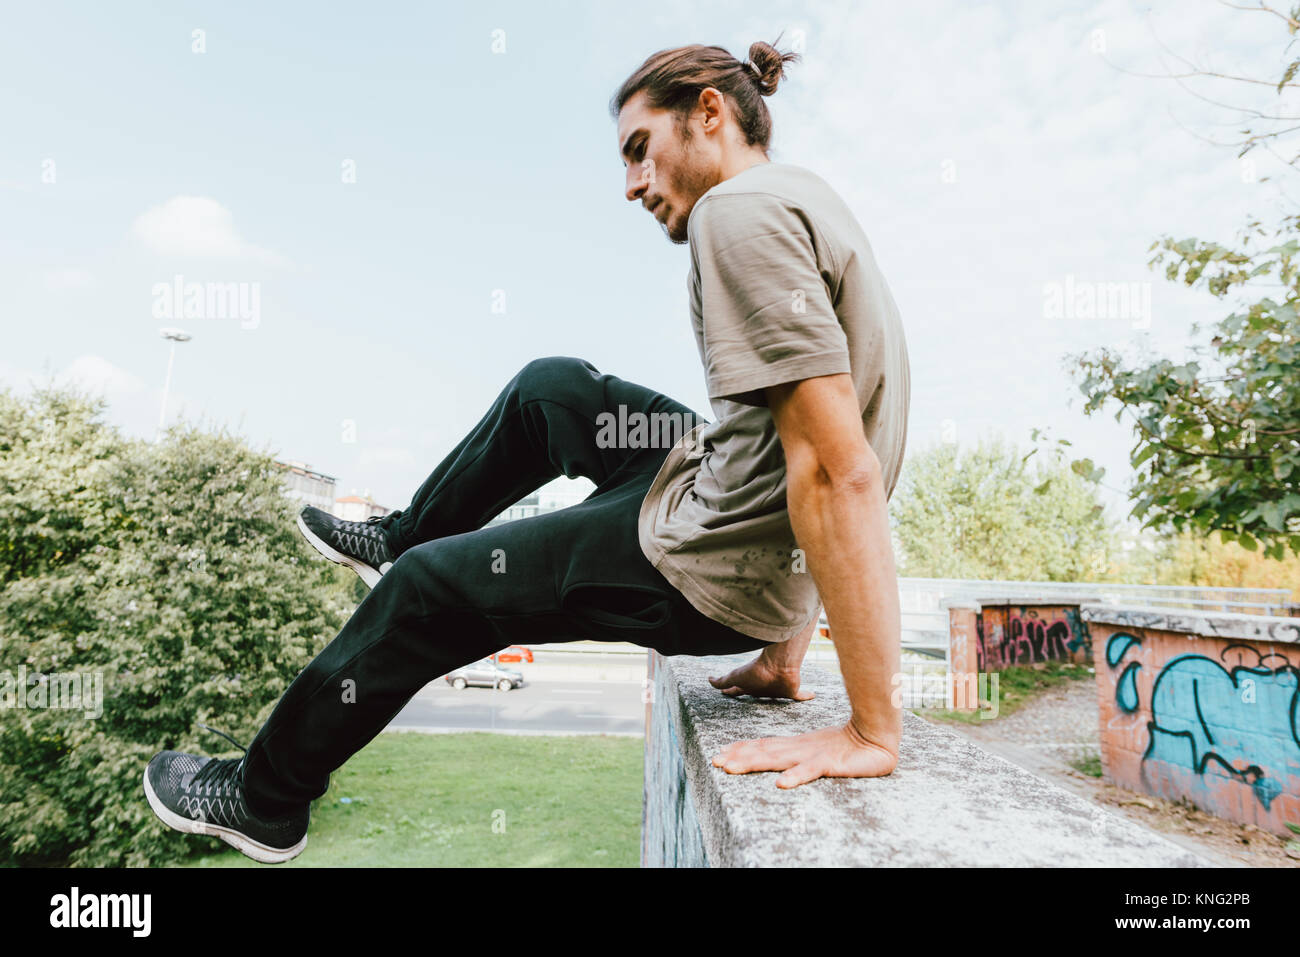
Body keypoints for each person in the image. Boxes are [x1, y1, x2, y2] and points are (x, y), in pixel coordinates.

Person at [142, 38, 911, 865]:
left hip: (697, 564)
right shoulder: (802, 198)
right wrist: (784, 649)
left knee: (426, 590)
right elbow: (806, 434)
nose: (632, 186)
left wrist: (871, 726)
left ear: (709, 113)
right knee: (554, 391)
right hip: (713, 499)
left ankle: (264, 799)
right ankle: (405, 530)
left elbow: (839, 470)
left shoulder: (738, 217)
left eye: (638, 151)